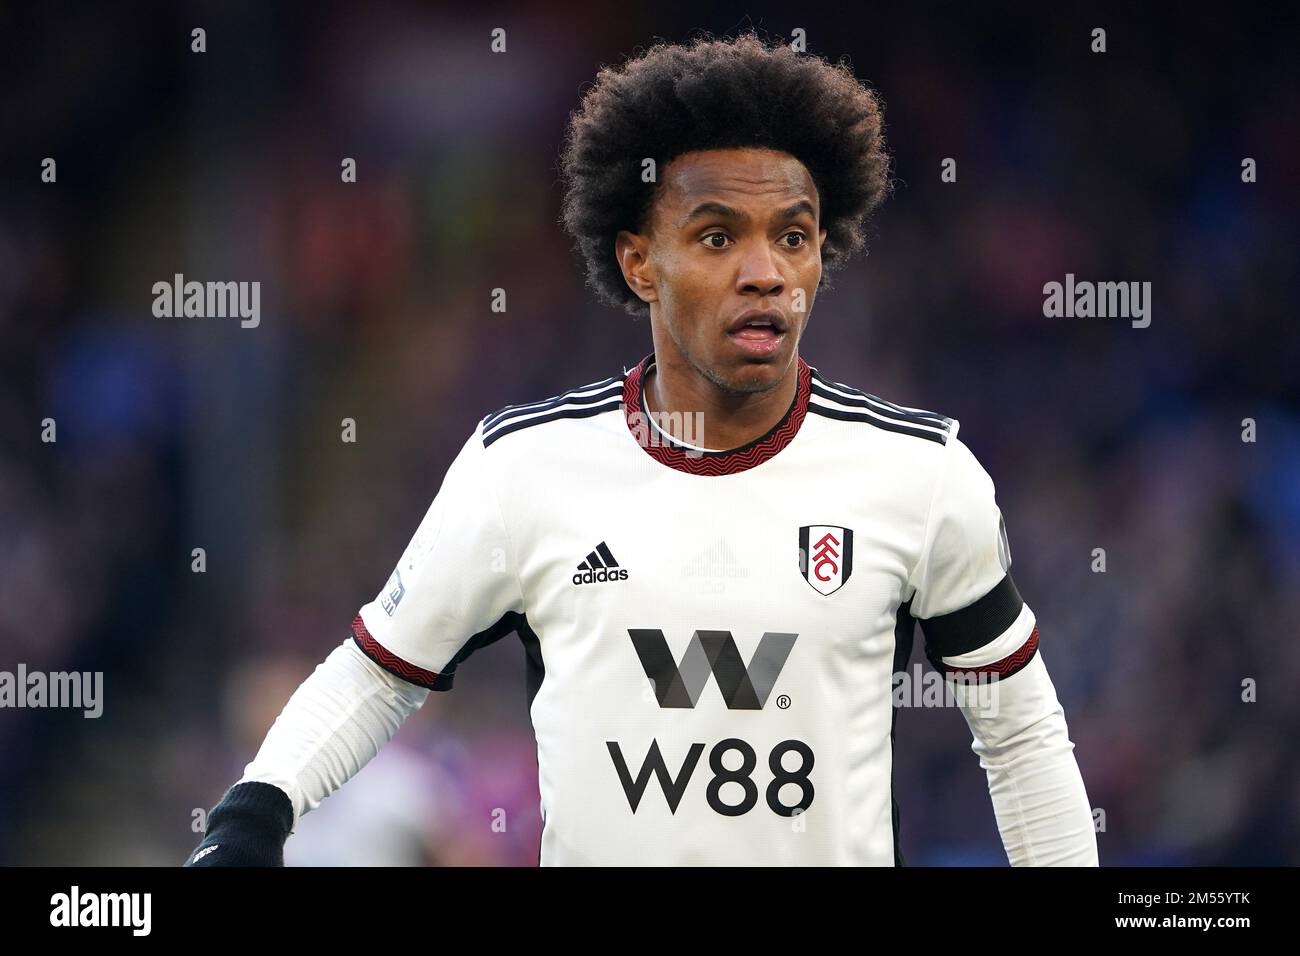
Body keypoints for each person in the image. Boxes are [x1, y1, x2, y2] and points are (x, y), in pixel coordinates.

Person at [187, 31, 1097, 867]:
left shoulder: (922, 478)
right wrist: (251, 818)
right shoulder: (524, 469)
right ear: (637, 262)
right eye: (715, 236)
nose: (765, 271)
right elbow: (379, 676)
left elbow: (1018, 735)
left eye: (793, 236)